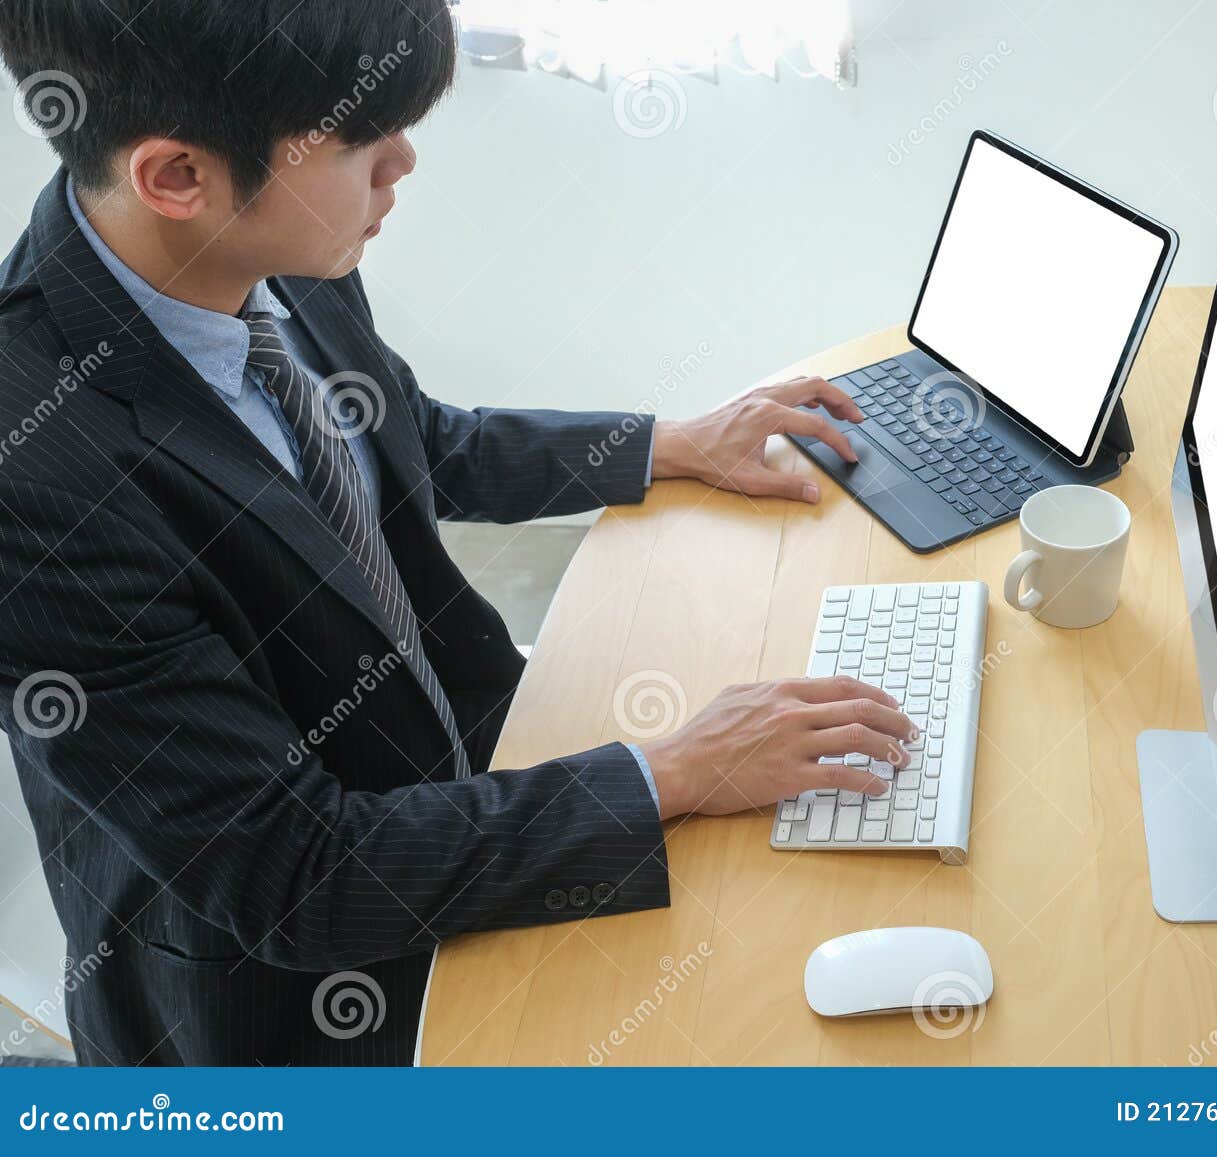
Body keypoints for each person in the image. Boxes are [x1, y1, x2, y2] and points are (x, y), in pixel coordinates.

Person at [0, 0, 911, 1065]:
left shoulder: (260, 242)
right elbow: (294, 874)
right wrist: (673, 772)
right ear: (177, 176)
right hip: (292, 987)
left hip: (442, 774)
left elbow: (403, 436)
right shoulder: (35, 474)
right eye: (363, 141)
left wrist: (667, 441)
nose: (404, 163)